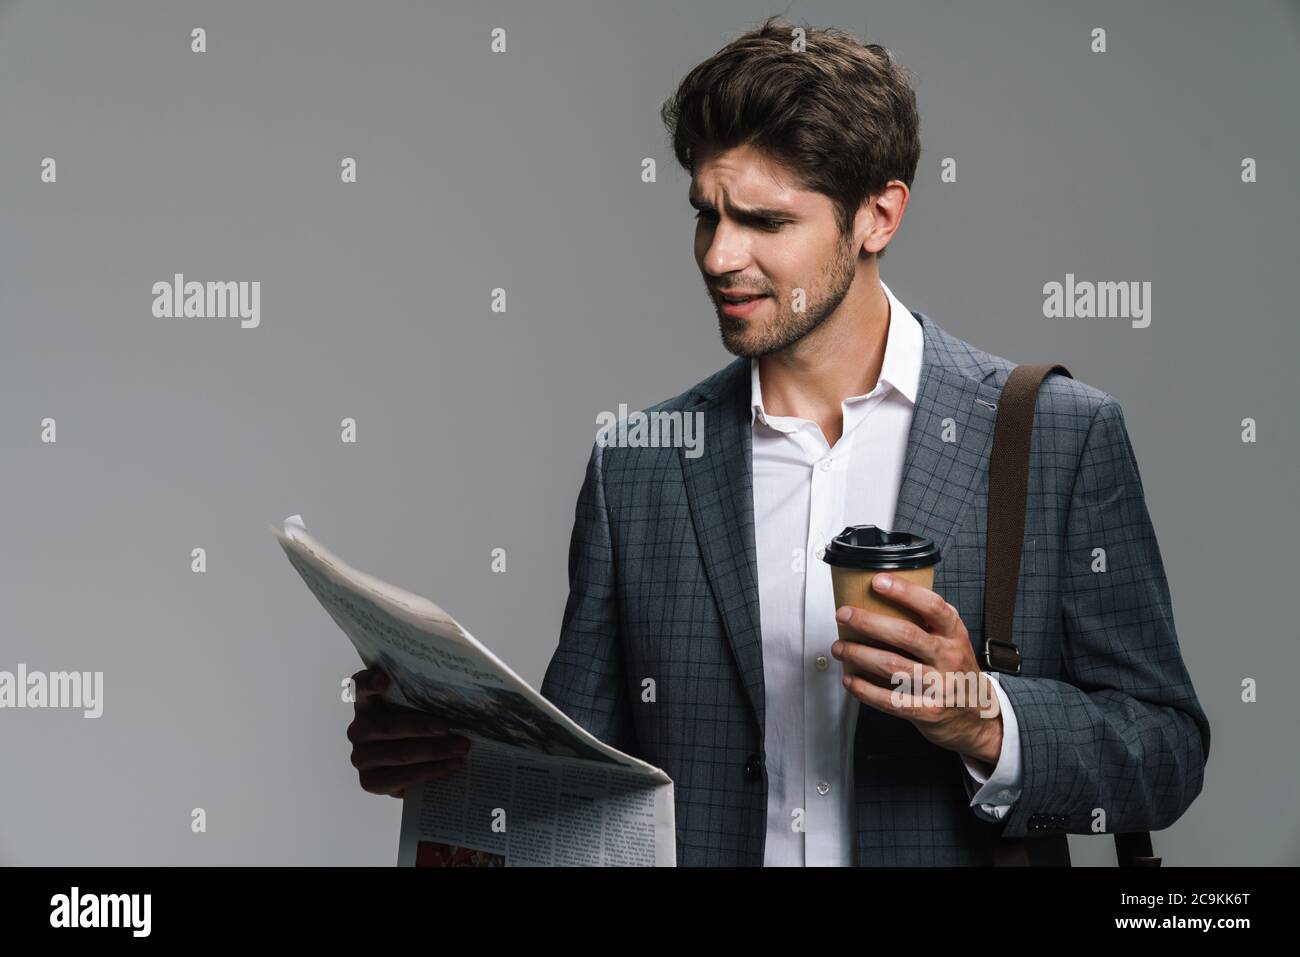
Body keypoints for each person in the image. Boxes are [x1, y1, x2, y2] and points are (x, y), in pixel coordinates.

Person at [346, 16, 1210, 866]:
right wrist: (446, 753)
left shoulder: (1058, 434)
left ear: (878, 215)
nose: (719, 255)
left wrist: (984, 716)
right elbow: (583, 781)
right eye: (706, 215)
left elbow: (1165, 751)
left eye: (763, 222)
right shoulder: (637, 467)